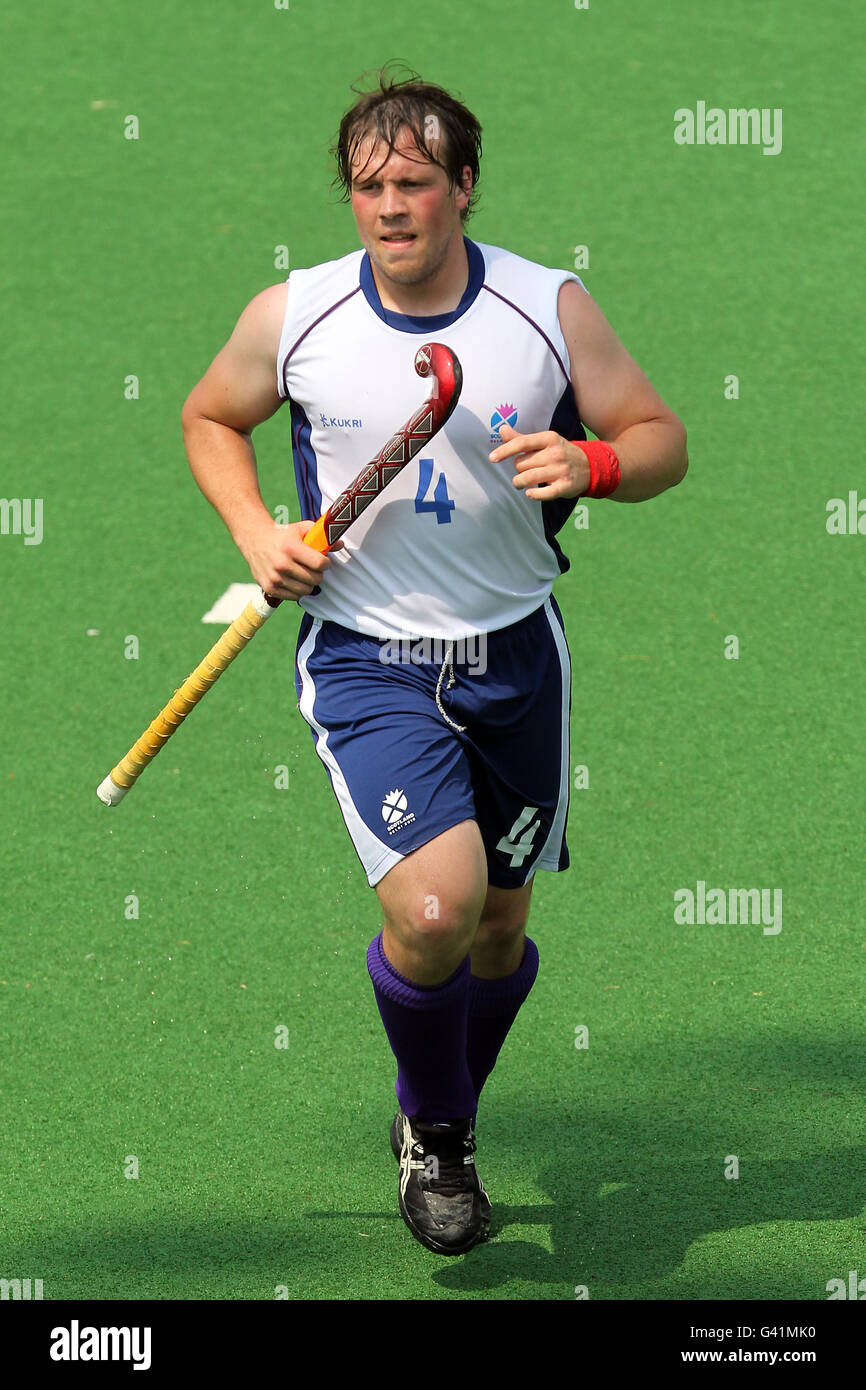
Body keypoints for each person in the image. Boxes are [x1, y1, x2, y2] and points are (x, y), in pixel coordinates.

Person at [181, 63, 688, 1257]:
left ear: (463, 186)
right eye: (367, 186)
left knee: (497, 934)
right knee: (432, 907)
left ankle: (436, 1107)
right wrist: (257, 533)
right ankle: (441, 1131)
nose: (389, 206)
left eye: (413, 181)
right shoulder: (296, 315)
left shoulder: (541, 308)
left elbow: (659, 436)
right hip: (368, 660)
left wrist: (597, 465)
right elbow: (210, 415)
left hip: (515, 656)